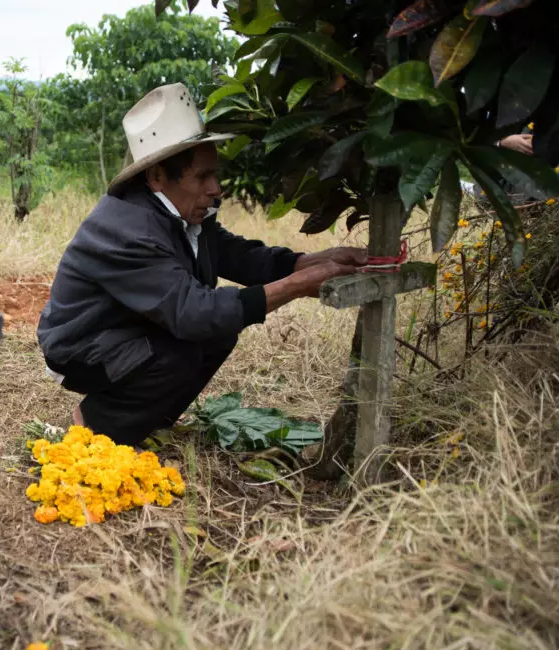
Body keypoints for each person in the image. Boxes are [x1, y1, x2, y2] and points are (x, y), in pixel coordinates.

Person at [37, 83, 367, 446]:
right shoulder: (129, 231)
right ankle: (96, 425)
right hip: (82, 346)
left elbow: (235, 255)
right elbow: (193, 312)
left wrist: (308, 261)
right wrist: (298, 285)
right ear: (157, 176)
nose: (216, 188)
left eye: (215, 174)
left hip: (127, 327)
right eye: (202, 176)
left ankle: (145, 420)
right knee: (191, 341)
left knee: (216, 331)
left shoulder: (183, 214)